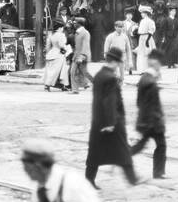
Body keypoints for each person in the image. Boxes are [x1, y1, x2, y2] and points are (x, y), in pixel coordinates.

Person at [21, 139, 107, 202]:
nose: (25, 172)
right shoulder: (40, 186)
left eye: (27, 168)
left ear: (39, 166)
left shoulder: (72, 183)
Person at [85, 46, 138, 188]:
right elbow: (110, 101)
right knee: (123, 152)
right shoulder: (110, 78)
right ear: (115, 62)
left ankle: (89, 179)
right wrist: (111, 123)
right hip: (111, 121)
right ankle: (133, 180)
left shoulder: (99, 75)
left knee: (95, 153)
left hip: (98, 121)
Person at [130, 50, 168, 180]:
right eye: (159, 63)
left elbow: (139, 102)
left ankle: (122, 157)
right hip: (151, 121)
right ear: (154, 63)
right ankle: (158, 173)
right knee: (160, 145)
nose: (159, 66)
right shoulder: (149, 81)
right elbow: (150, 104)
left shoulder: (146, 79)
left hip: (147, 120)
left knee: (143, 145)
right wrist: (157, 118)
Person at [43, 21, 71, 92]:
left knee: (51, 71)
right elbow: (62, 45)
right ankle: (54, 84)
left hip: (52, 52)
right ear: (59, 28)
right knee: (59, 71)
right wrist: (66, 49)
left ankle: (56, 85)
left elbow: (48, 45)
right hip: (59, 54)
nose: (62, 29)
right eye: (62, 27)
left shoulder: (51, 34)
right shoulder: (61, 35)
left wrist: (48, 53)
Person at [71, 17, 92, 93]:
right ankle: (75, 89)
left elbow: (85, 45)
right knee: (74, 72)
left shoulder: (85, 33)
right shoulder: (77, 32)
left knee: (84, 72)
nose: (74, 24)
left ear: (79, 24)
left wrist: (82, 57)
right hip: (76, 55)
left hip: (82, 56)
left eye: (75, 23)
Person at [135, 5, 156, 75]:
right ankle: (142, 70)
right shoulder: (142, 21)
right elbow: (140, 30)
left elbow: (151, 30)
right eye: (141, 13)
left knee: (147, 54)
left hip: (147, 37)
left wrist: (147, 40)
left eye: (142, 13)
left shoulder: (150, 21)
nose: (141, 14)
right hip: (141, 38)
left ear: (146, 13)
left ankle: (148, 70)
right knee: (141, 54)